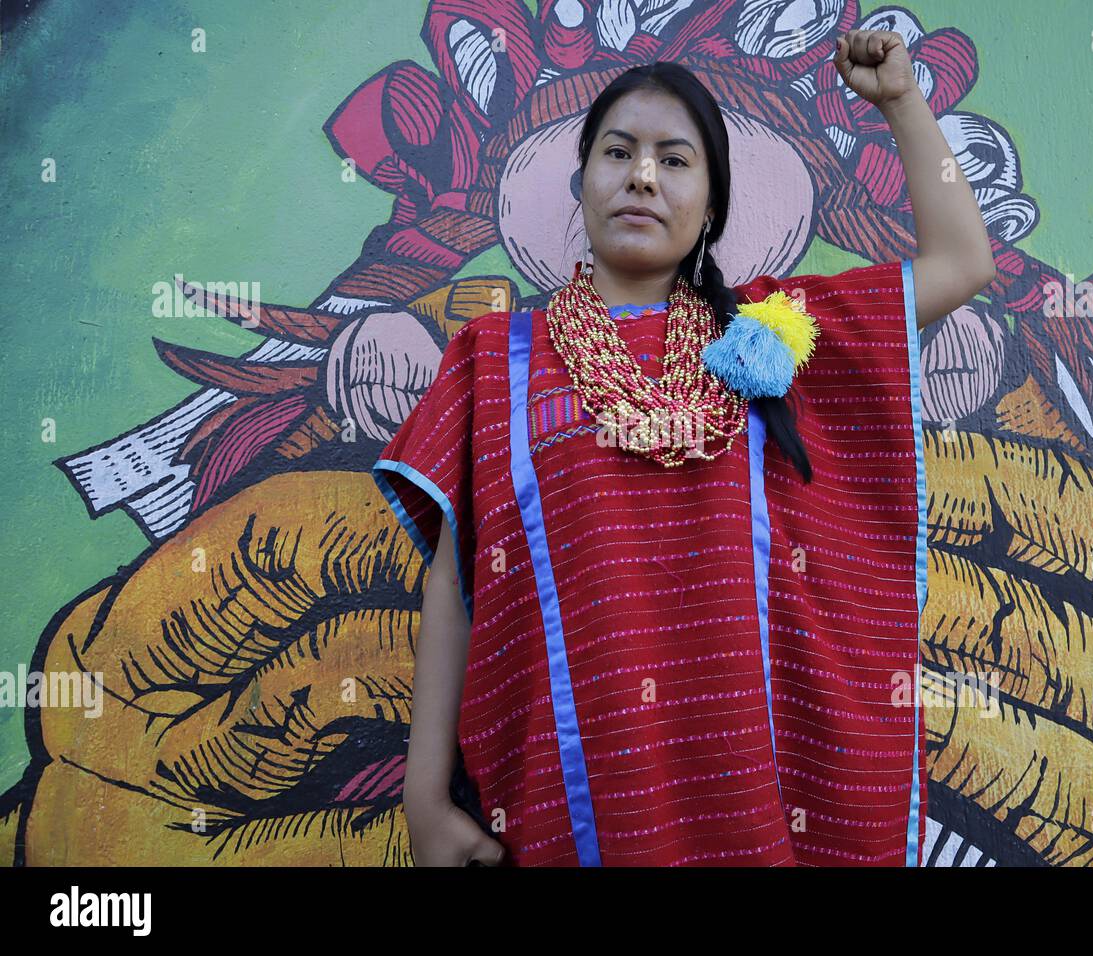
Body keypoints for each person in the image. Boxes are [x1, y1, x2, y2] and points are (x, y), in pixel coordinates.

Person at [373, 30, 995, 866]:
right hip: (572, 798)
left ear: (711, 205)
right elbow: (454, 582)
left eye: (675, 160)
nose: (641, 176)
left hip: (753, 792)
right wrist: (423, 800)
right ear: (581, 183)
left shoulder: (779, 329)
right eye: (618, 153)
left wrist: (902, 102)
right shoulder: (495, 358)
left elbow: (962, 261)